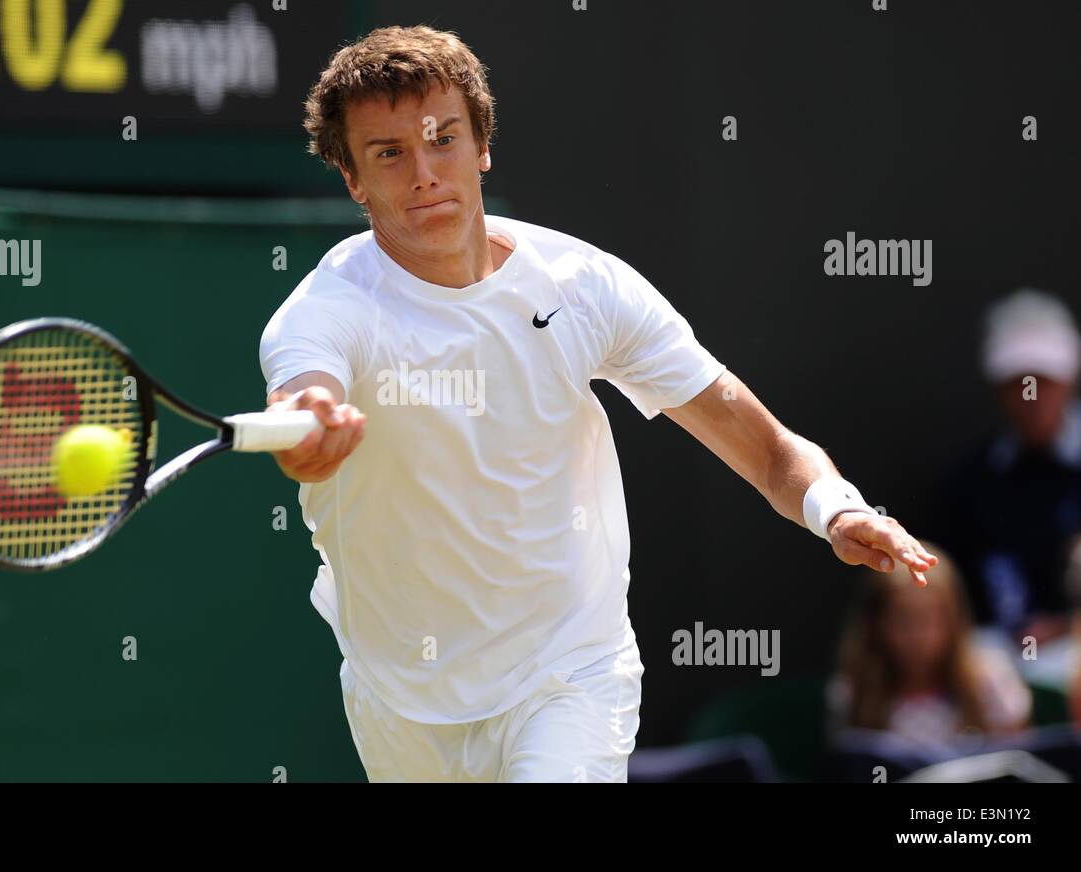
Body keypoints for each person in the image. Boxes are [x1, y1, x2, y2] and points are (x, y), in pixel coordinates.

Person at [258, 25, 936, 782]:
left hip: (569, 674)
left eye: (443, 139)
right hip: (399, 702)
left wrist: (836, 509)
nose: (424, 173)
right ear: (353, 179)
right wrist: (310, 430)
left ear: (482, 146)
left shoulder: (586, 288)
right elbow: (305, 393)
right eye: (389, 154)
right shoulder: (324, 310)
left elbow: (770, 450)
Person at [931, 289, 1081, 643]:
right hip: (995, 663)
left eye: (1044, 380)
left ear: (1068, 380)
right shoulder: (970, 484)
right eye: (1017, 382)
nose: (1032, 396)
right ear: (997, 389)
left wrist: (1066, 628)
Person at [829, 540, 1031, 749]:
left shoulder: (991, 683)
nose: (920, 636)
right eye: (904, 620)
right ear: (877, 623)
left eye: (934, 619)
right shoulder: (854, 692)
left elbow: (1017, 760)